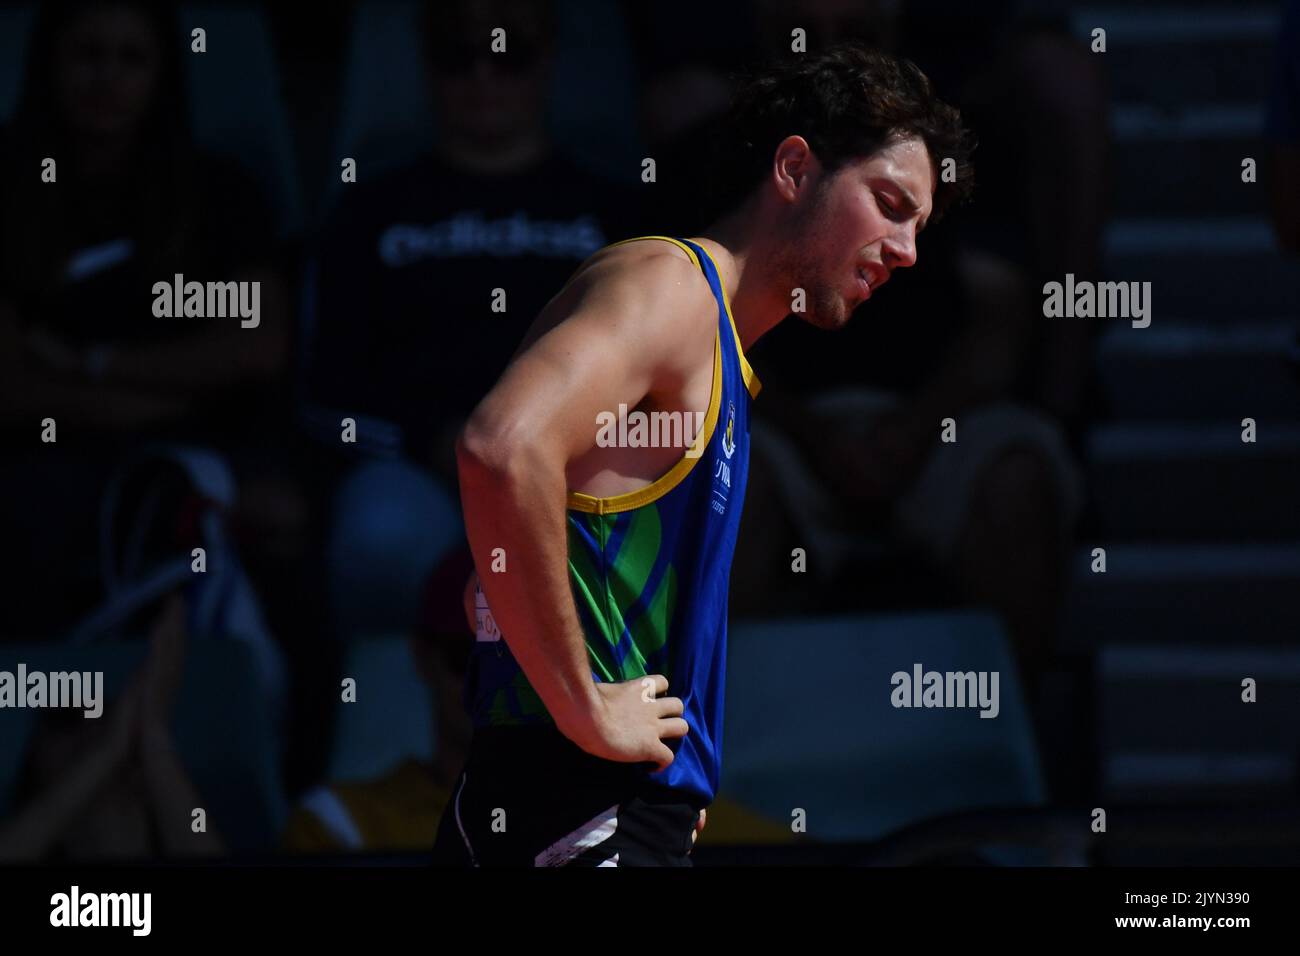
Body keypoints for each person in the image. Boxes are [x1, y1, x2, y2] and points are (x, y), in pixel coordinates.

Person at [431, 44, 974, 866]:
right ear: (795, 168)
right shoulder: (671, 289)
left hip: (576, 807)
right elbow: (500, 449)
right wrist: (585, 709)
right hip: (576, 811)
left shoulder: (721, 352)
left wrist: (675, 783)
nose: (906, 250)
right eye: (890, 203)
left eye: (918, 226)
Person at [302, 0, 644, 640]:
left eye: (509, 54)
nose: (484, 77)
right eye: (458, 56)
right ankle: (393, 723)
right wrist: (435, 440)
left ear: (549, 61)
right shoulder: (367, 211)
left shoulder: (619, 211)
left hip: (579, 463)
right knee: (378, 537)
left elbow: (659, 364)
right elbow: (325, 391)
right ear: (426, 68)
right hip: (416, 470)